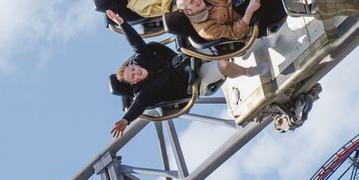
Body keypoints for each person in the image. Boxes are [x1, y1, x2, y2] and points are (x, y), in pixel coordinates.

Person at [106, 11, 254, 137]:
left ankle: (244, 43)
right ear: (134, 82)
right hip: (194, 81)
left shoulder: (142, 59)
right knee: (224, 65)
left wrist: (122, 23)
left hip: (190, 57)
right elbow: (138, 105)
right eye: (133, 76)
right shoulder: (144, 91)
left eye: (133, 69)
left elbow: (136, 42)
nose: (136, 72)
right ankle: (250, 71)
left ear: (133, 65)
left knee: (205, 33)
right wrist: (125, 121)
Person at [173, 0, 262, 42]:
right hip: (248, 17)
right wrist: (250, 10)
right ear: (188, 11)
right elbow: (235, 33)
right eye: (192, 2)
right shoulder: (206, 30)